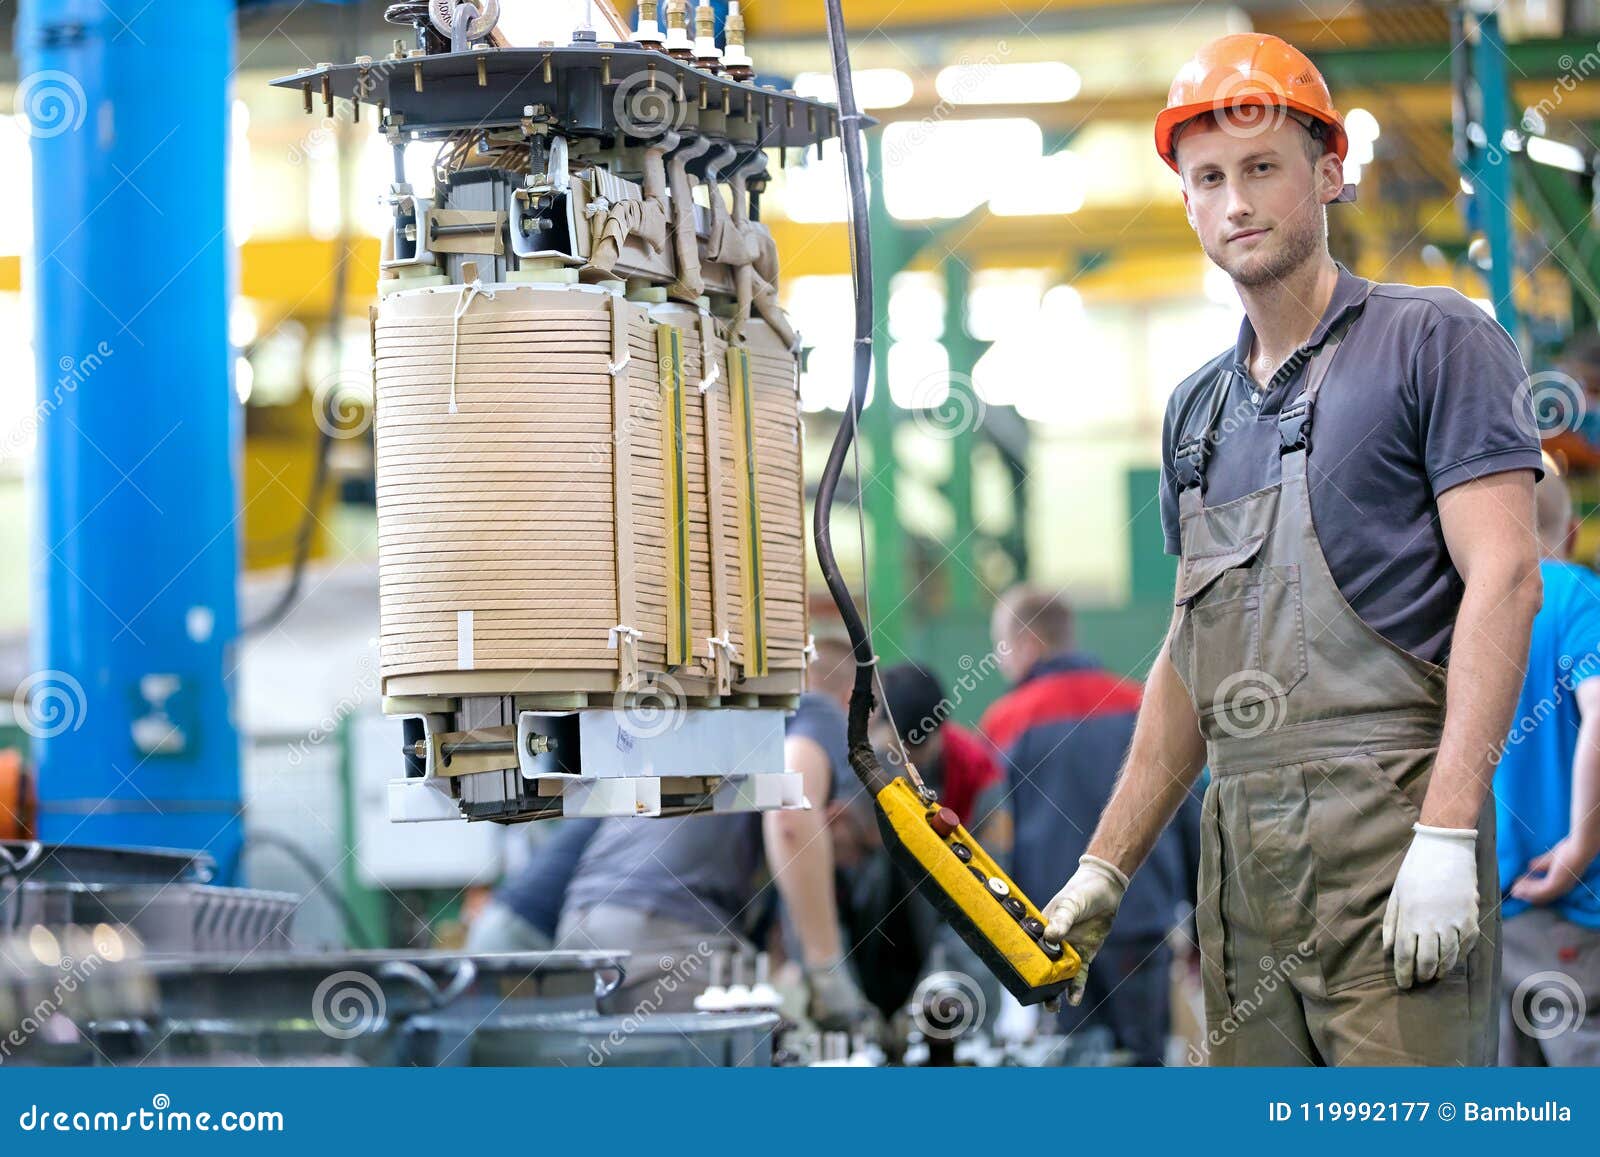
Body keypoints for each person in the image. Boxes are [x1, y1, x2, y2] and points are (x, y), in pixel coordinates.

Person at [1042, 33, 1543, 1066]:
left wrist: (1448, 831)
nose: (1235, 201)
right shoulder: (1197, 412)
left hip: (1394, 843)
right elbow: (1192, 653)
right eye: (1208, 178)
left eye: (1262, 168)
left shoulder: (1432, 340)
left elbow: (1505, 577)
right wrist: (1105, 864)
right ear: (1183, 200)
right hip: (1242, 871)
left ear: (1327, 172)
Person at [553, 691, 871, 1028]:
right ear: (838, 815)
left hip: (581, 922)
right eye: (862, 849)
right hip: (667, 937)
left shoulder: (711, 713)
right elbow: (790, 820)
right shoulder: (819, 711)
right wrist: (828, 974)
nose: (850, 866)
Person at [982, 586, 1198, 1065]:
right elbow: (1188, 816)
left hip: (1054, 935)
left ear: (1027, 645)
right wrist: (1200, 928)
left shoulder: (1004, 724)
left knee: (1074, 1063)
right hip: (1141, 921)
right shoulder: (1142, 706)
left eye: (1000, 650)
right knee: (1145, 1063)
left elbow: (994, 851)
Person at [1494, 468, 1600, 1065]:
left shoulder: (1461, 611)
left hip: (1483, 906)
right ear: (1570, 535)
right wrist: (1581, 844)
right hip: (1565, 904)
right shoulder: (1574, 592)